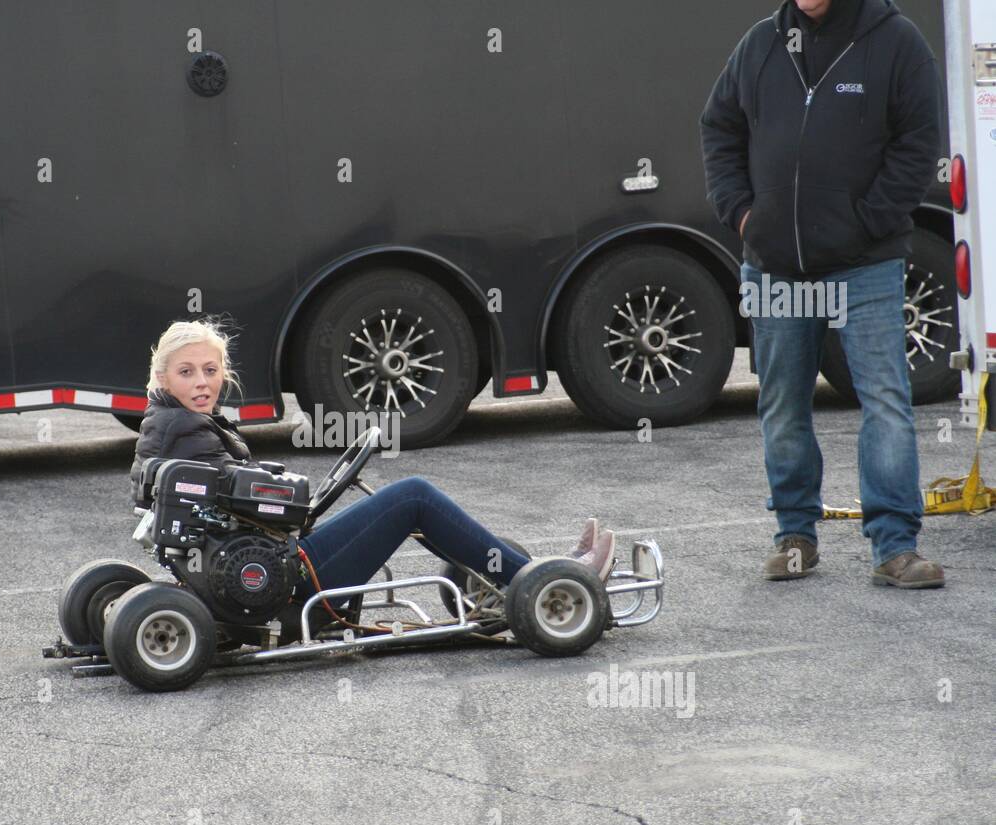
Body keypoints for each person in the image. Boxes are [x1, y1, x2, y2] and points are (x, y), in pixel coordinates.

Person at [128, 318, 618, 621]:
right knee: (412, 496)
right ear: (162, 377)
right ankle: (536, 582)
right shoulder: (186, 431)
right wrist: (293, 493)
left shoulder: (169, 424)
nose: (202, 382)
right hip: (279, 586)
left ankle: (509, 576)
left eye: (211, 371)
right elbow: (241, 503)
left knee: (406, 498)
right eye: (187, 372)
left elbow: (225, 504)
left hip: (259, 569)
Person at [700, 0, 945, 588]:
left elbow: (918, 142)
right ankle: (794, 537)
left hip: (865, 265)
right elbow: (719, 127)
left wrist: (870, 220)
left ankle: (895, 547)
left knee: (884, 400)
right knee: (783, 403)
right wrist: (742, 216)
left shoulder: (896, 42)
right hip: (776, 268)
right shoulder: (761, 44)